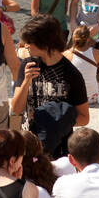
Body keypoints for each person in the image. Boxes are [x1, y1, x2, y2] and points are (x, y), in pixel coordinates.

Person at [11, 15, 89, 155]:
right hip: (28, 145)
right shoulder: (27, 65)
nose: (26, 45)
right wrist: (26, 82)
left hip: (59, 150)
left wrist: (53, 122)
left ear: (44, 43)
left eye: (30, 41)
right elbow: (16, 109)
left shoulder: (71, 74)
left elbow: (84, 117)